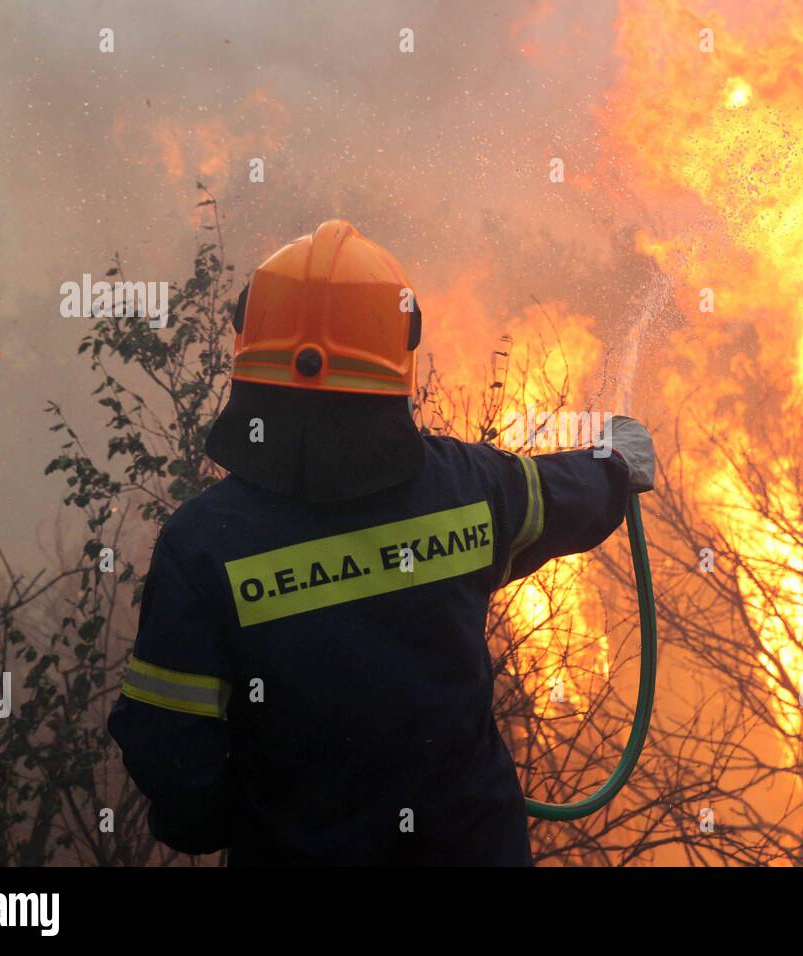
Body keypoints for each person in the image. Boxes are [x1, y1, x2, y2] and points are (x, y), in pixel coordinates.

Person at [107, 220, 656, 865]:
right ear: (401, 347)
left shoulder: (202, 546)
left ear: (249, 342)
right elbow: (562, 496)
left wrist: (273, 813)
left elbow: (179, 774)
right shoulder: (468, 489)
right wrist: (615, 466)